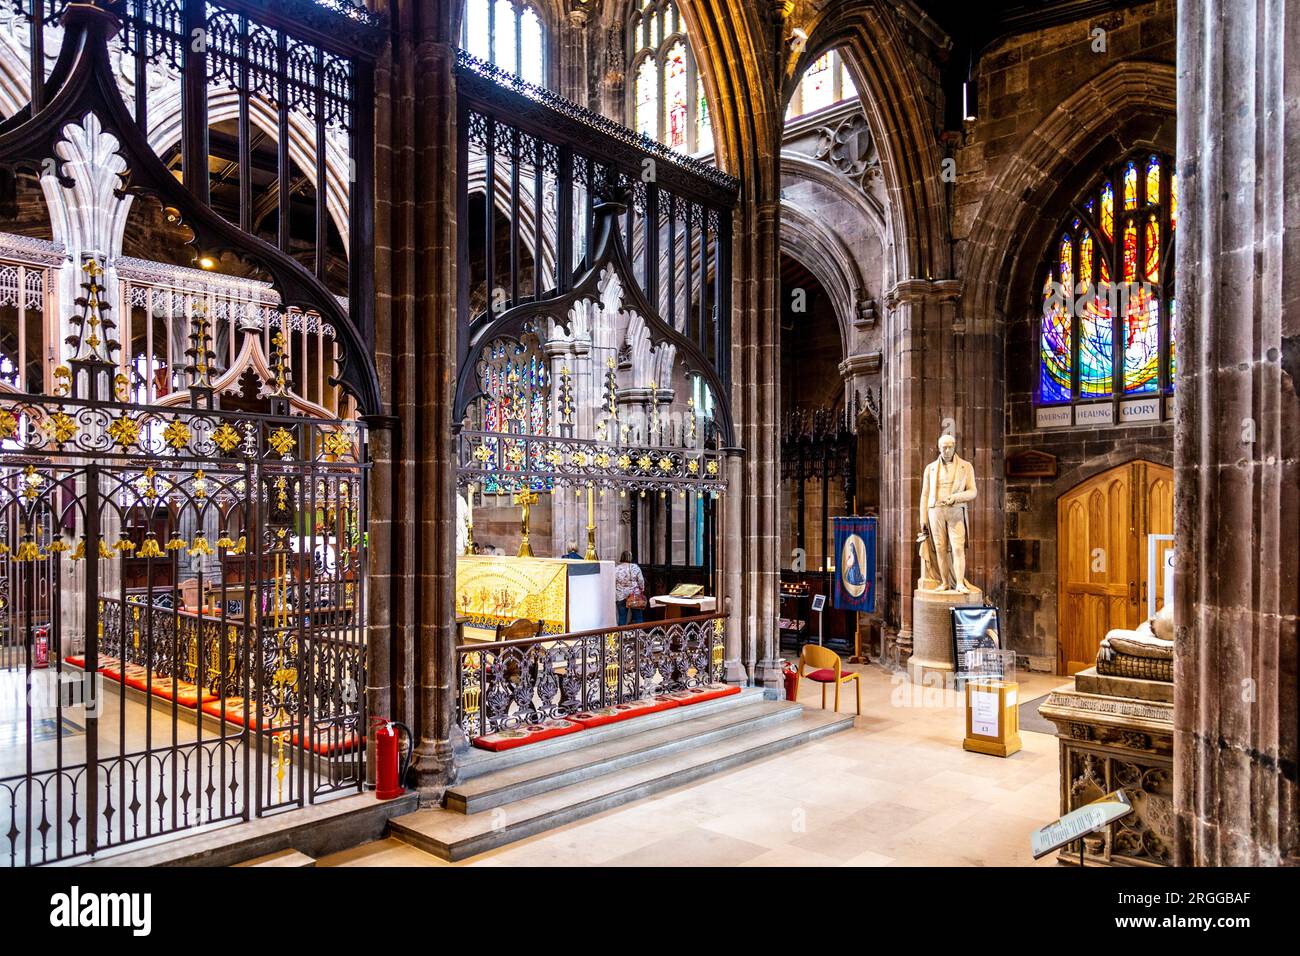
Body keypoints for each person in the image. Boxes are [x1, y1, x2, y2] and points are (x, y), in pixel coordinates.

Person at [614, 550, 646, 625]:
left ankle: (621, 635)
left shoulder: (617, 568)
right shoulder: (635, 567)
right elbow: (641, 580)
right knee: (638, 617)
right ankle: (638, 634)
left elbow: (613, 582)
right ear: (630, 558)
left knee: (622, 617)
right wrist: (642, 588)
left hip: (620, 595)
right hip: (634, 595)